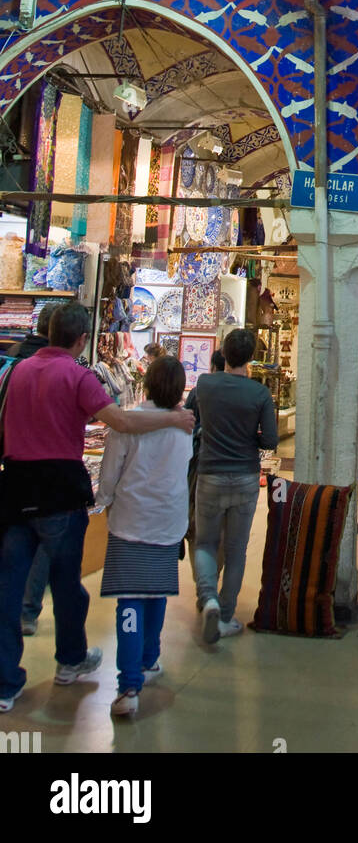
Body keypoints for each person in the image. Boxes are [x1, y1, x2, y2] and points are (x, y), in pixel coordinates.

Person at [0, 302, 194, 715]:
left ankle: (4, 682)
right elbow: (120, 424)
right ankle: (71, 661)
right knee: (68, 582)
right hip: (60, 489)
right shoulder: (76, 375)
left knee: (8, 587)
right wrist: (172, 421)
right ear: (83, 339)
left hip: (15, 486)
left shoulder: (14, 371)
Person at [98, 356, 193, 716]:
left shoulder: (129, 423)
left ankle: (128, 686)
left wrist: (104, 501)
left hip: (130, 521)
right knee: (156, 593)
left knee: (130, 602)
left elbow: (110, 472)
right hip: (167, 522)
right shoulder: (184, 425)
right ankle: (150, 659)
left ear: (148, 383)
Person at [193, 327, 277, 645]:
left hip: (210, 473)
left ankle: (208, 598)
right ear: (252, 357)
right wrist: (247, 438)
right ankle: (227, 615)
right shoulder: (259, 394)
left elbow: (194, 420)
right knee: (236, 549)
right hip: (244, 476)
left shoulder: (205, 385)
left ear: (224, 354)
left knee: (205, 544)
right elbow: (269, 440)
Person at [11, 301, 61, 637]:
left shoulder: (13, 356)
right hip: (50, 467)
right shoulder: (67, 369)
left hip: (13, 461)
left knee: (14, 539)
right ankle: (28, 611)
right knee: (46, 542)